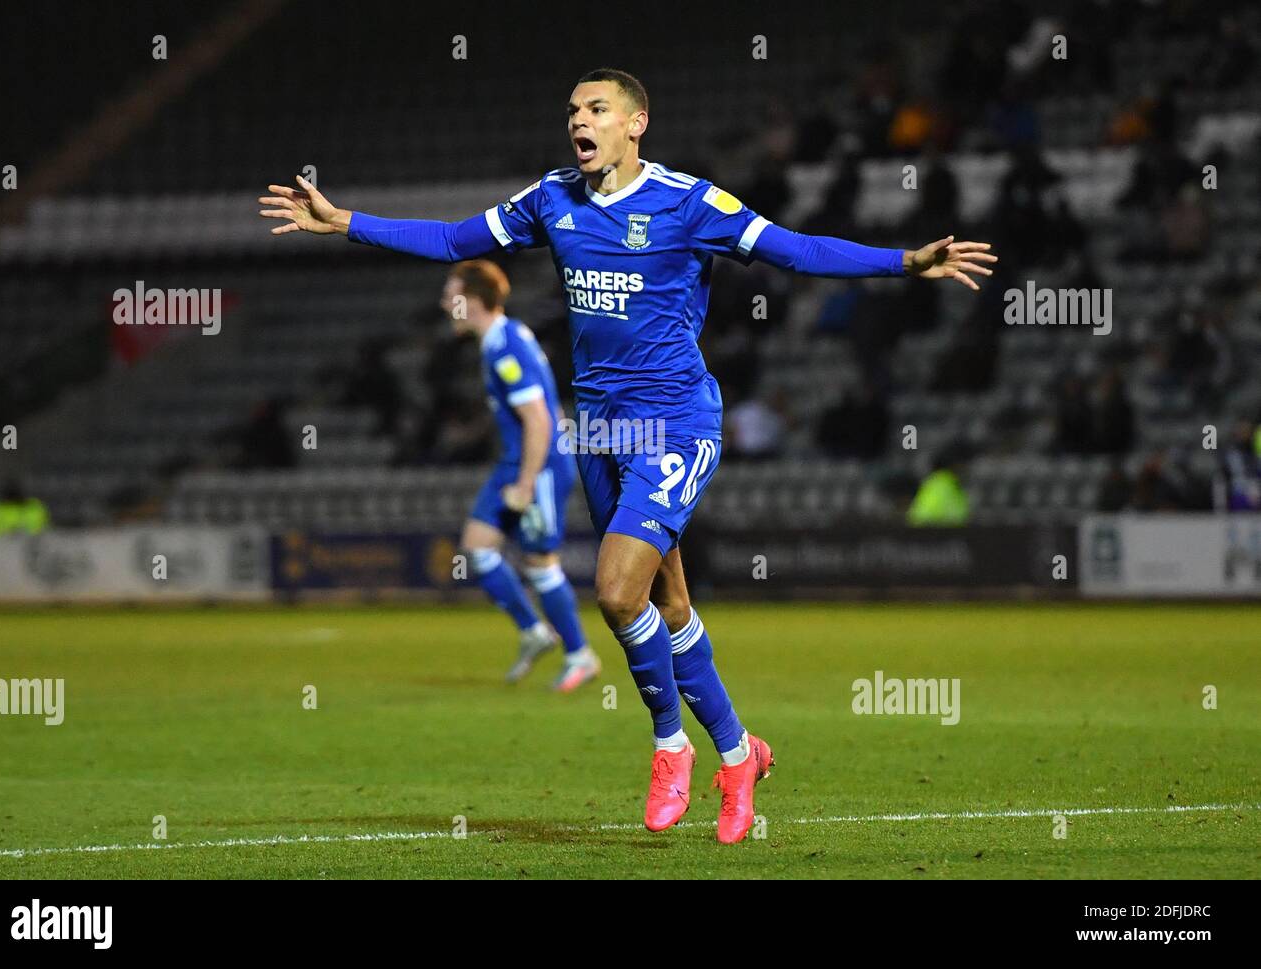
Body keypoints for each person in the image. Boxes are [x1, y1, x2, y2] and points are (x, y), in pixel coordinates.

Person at [258, 68, 995, 843]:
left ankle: (670, 744)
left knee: (614, 591)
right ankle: (740, 755)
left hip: (676, 424)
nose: (579, 118)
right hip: (602, 432)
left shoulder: (689, 202)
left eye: (596, 107)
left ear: (636, 123)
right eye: (572, 107)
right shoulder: (551, 199)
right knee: (665, 606)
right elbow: (449, 240)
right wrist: (344, 221)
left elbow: (796, 250)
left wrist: (903, 262)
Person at [441, 260, 598, 691]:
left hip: (539, 466)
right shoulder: (498, 342)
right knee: (477, 546)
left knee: (541, 564)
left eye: (450, 295)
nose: (443, 303)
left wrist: (527, 483)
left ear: (472, 301)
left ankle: (580, 655)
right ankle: (533, 631)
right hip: (518, 461)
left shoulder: (507, 344)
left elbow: (539, 421)